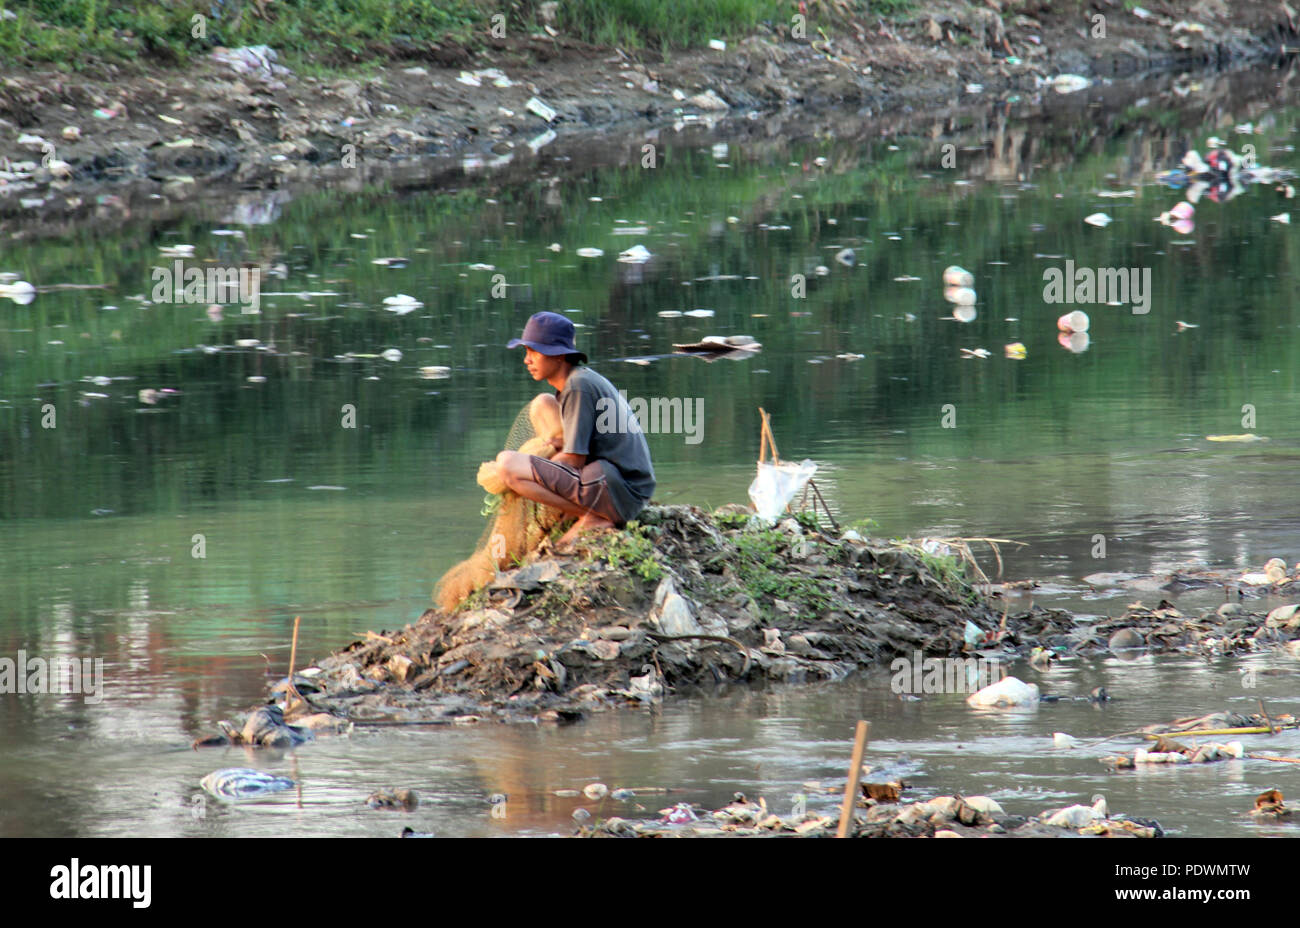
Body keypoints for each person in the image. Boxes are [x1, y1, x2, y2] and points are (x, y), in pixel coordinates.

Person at [495, 311, 655, 547]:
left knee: (507, 466)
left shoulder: (579, 387)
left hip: (620, 491)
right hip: (610, 480)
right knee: (542, 405)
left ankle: (595, 515)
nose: (526, 360)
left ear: (558, 355)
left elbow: (574, 460)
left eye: (534, 352)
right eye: (526, 352)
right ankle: (584, 509)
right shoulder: (576, 381)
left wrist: (537, 465)